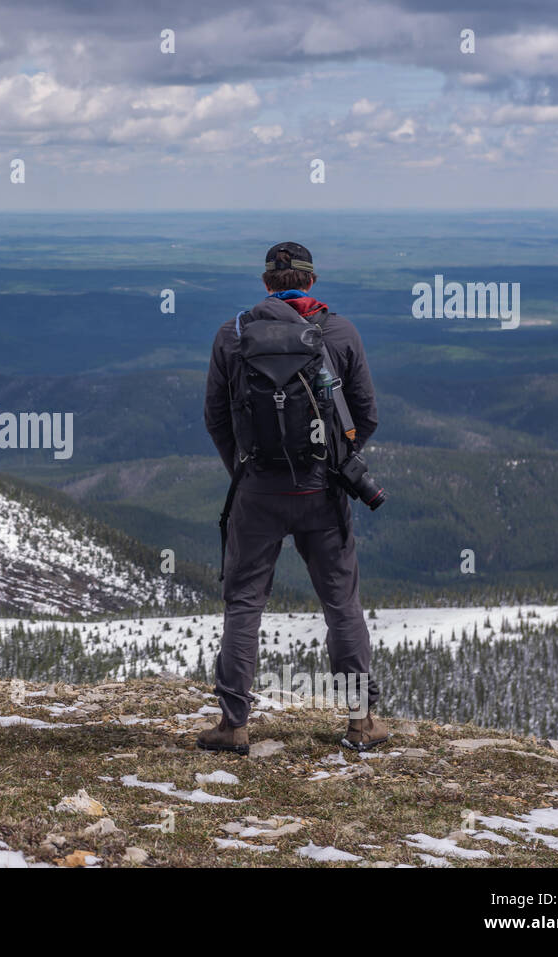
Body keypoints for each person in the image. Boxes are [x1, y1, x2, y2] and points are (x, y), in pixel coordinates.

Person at [200, 241, 387, 754]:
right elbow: (366, 414)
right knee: (340, 606)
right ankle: (359, 721)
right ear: (311, 281)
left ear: (265, 283)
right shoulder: (340, 333)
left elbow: (215, 417)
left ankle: (234, 724)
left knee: (244, 605)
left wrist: (243, 469)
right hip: (322, 491)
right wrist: (336, 461)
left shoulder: (232, 335)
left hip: (257, 492)